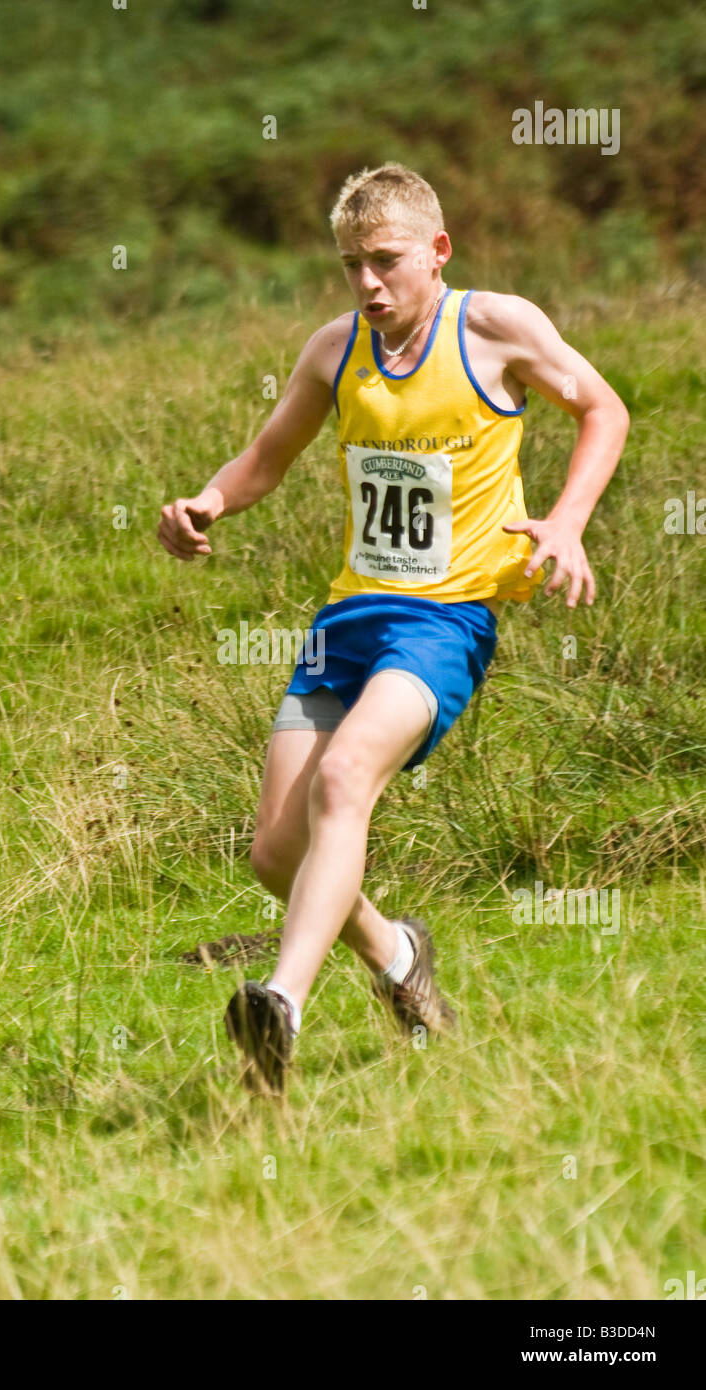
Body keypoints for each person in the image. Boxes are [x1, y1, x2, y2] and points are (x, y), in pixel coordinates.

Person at [157, 162, 629, 1094]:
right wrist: (208, 502)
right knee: (274, 854)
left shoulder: (497, 328)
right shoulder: (336, 349)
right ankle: (398, 953)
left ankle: (280, 1003)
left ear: (437, 252)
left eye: (386, 262)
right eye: (350, 266)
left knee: (344, 780)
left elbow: (601, 407)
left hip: (446, 619)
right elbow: (267, 455)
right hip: (349, 619)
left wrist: (568, 520)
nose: (368, 284)